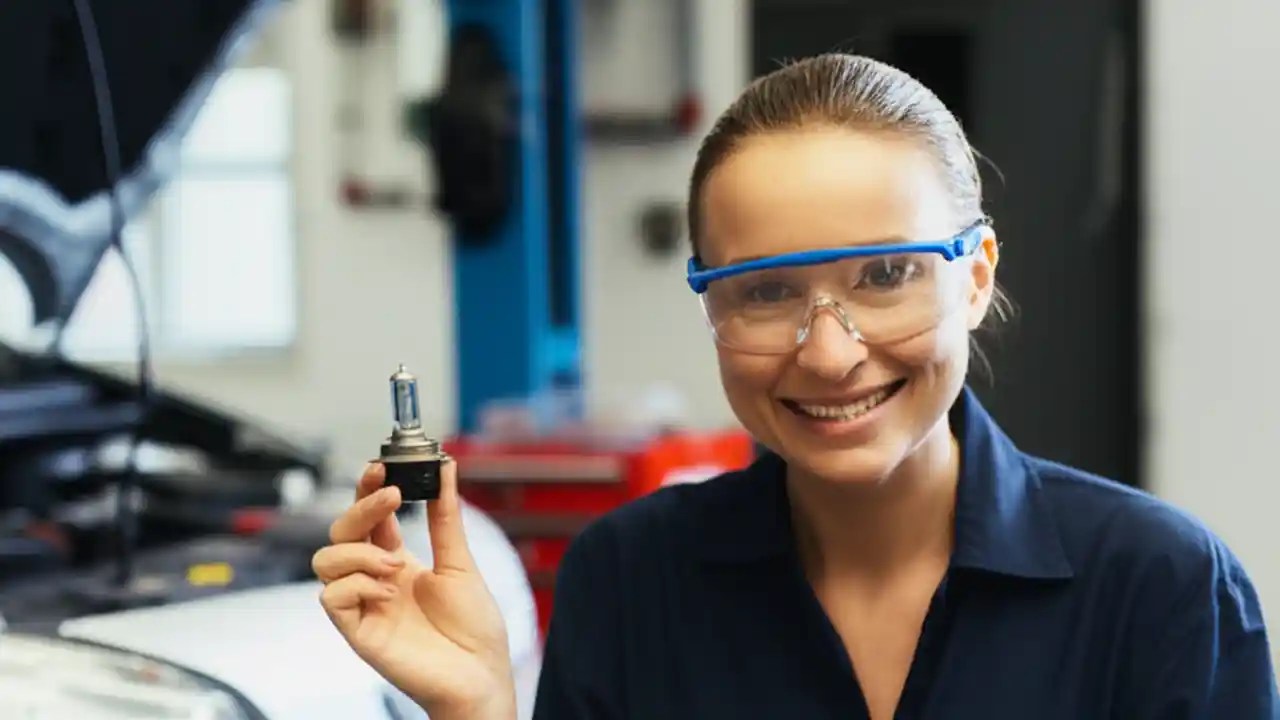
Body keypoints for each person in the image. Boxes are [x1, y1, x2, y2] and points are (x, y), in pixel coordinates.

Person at [311, 54, 1279, 719]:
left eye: (885, 275)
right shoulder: (631, 584)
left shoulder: (1163, 593)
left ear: (975, 276)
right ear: (706, 306)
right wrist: (478, 706)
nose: (826, 354)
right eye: (766, 293)